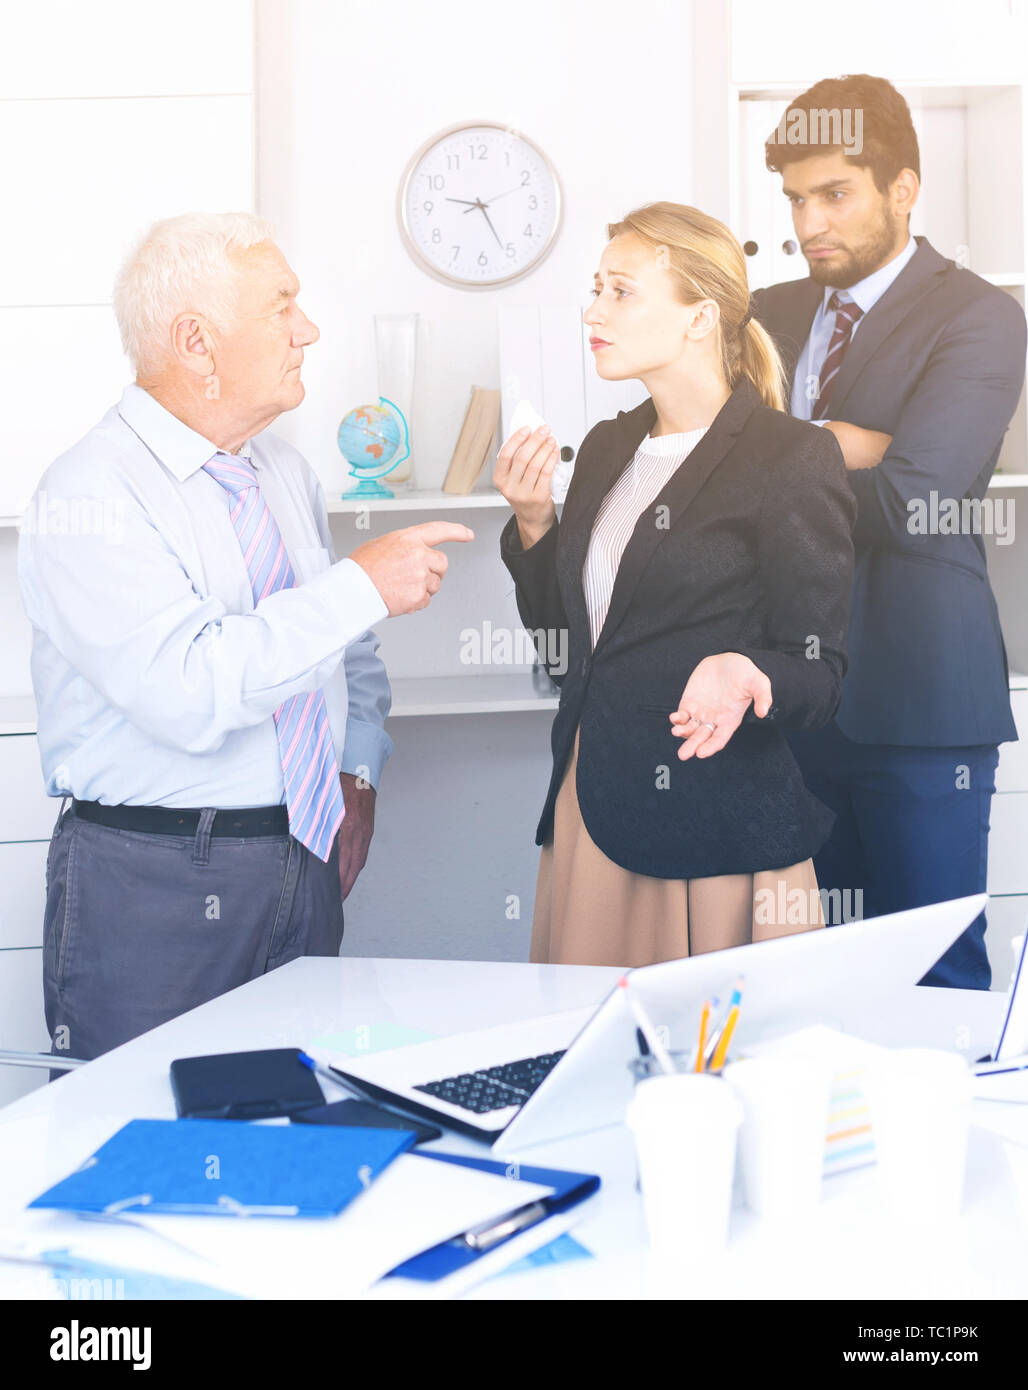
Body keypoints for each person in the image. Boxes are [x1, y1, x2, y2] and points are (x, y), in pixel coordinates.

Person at [18, 212, 472, 1061]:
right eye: (282, 308)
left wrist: (354, 772)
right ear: (197, 341)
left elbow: (350, 654)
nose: (309, 331)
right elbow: (189, 692)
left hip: (303, 856)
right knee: (151, 1147)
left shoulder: (283, 471)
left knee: (296, 1131)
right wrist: (359, 584)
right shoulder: (89, 493)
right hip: (154, 881)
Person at [496, 202, 856, 968]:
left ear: (700, 316)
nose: (593, 310)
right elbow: (570, 659)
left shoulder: (789, 458)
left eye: (620, 291)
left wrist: (746, 671)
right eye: (596, 288)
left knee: (721, 1077)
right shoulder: (603, 450)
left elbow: (820, 676)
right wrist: (534, 526)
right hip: (589, 814)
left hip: (715, 838)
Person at [751, 74, 1028, 989]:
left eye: (835, 194)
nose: (809, 222)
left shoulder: (980, 316)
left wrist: (782, 459)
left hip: (920, 707)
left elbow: (917, 500)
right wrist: (840, 449)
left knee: (935, 981)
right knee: (811, 984)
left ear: (903, 190)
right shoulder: (767, 314)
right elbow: (712, 484)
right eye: (796, 199)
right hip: (790, 706)